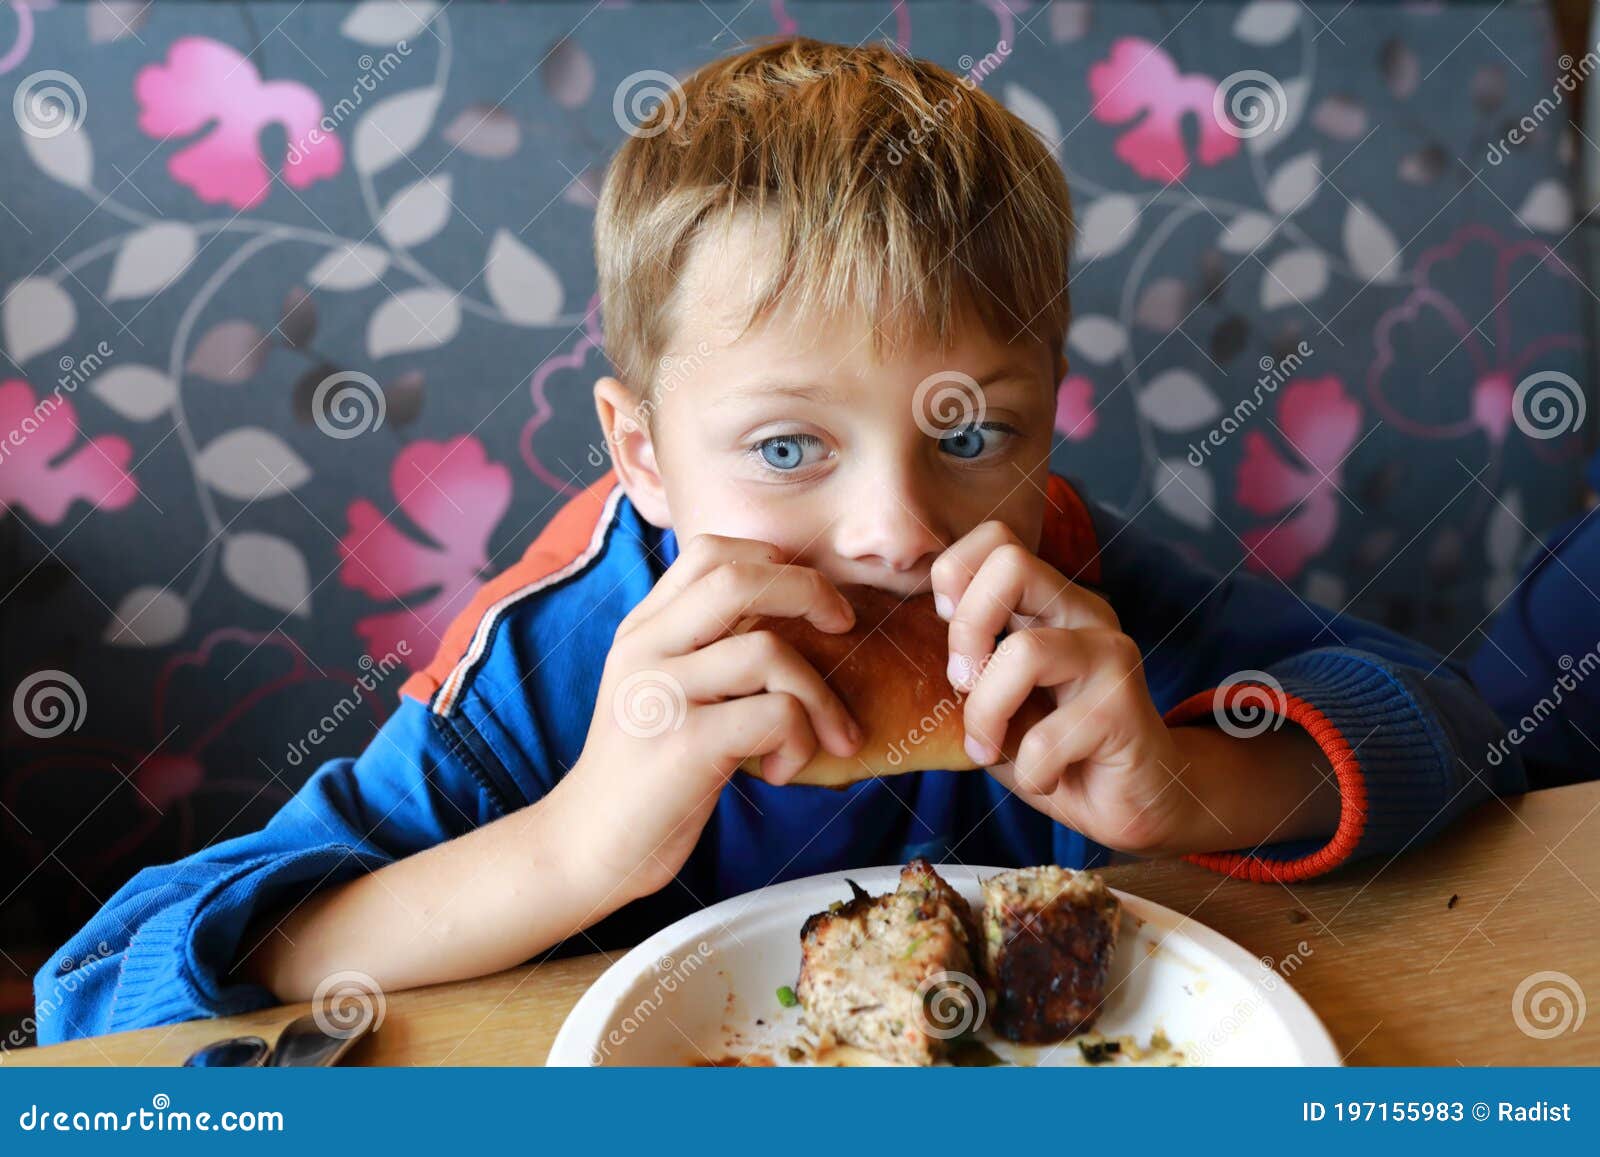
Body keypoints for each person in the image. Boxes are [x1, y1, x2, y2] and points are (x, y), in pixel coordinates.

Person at [34, 37, 1523, 1044]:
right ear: (643, 456)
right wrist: (575, 843)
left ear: (1047, 422)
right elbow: (100, 991)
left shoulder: (1075, 595)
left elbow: (1461, 735)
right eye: (788, 447)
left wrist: (1193, 781)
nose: (894, 530)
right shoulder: (558, 662)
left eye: (968, 433)